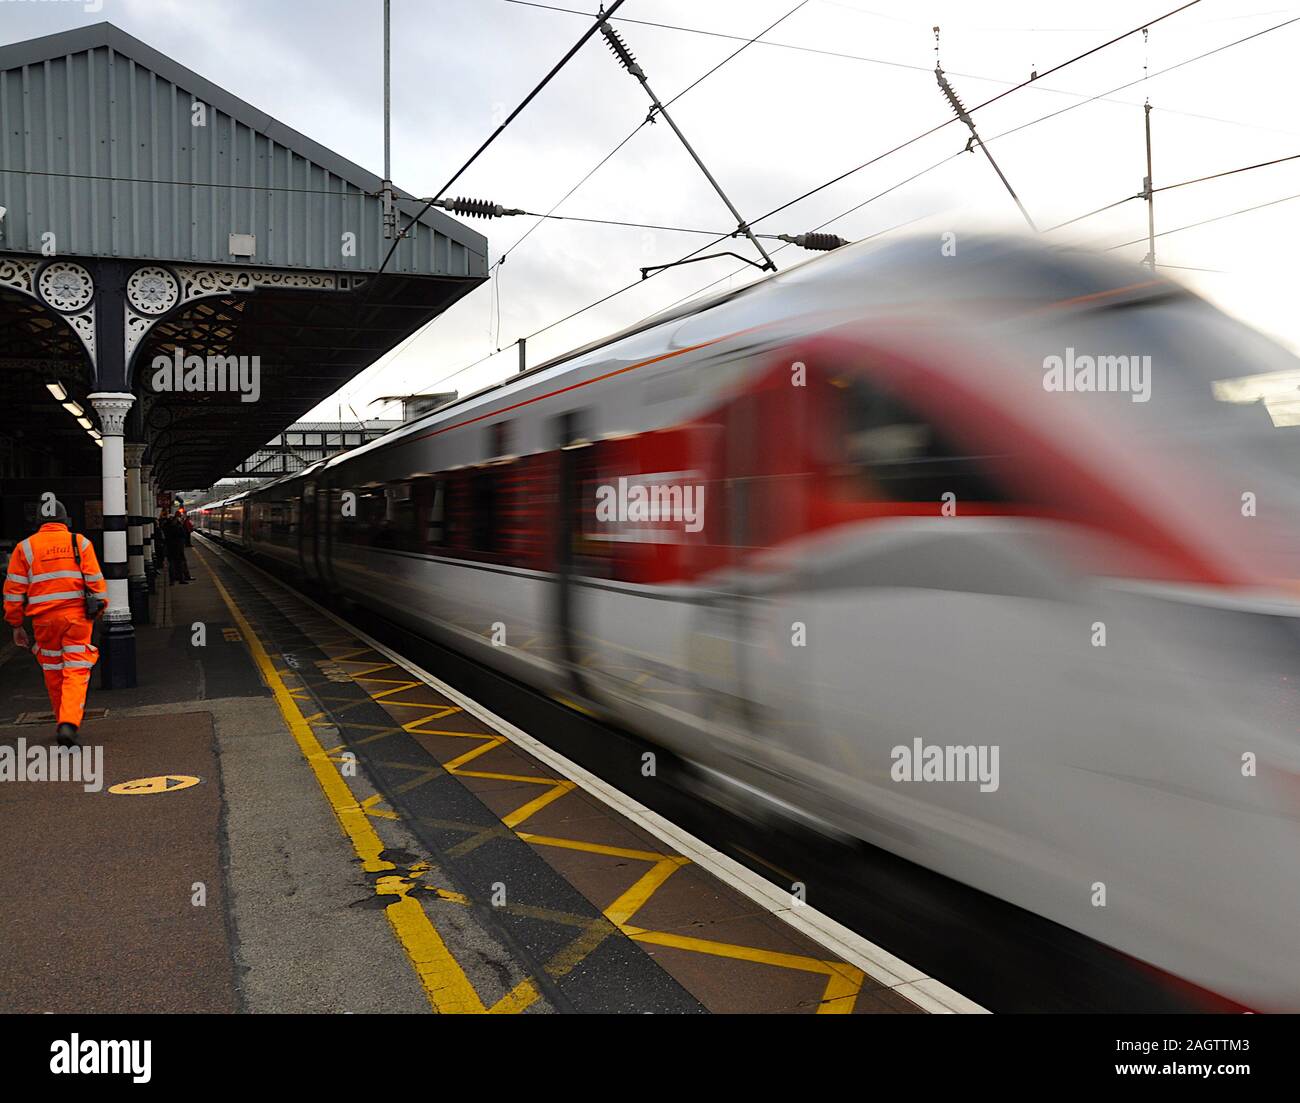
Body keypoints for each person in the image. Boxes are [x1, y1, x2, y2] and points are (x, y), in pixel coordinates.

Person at [3, 500, 107, 747]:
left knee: (53, 673)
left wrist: (16, 625)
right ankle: (68, 724)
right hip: (76, 619)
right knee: (76, 671)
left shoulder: (24, 548)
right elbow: (96, 583)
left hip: (44, 622)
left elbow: (13, 591)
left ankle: (63, 721)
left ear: (38, 522)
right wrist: (100, 608)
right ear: (65, 520)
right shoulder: (79, 543)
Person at [162, 510, 191, 585]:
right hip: (177, 547)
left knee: (171, 564)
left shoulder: (166, 526)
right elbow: (183, 535)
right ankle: (181, 579)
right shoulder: (177, 527)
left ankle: (172, 581)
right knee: (179, 563)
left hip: (169, 547)